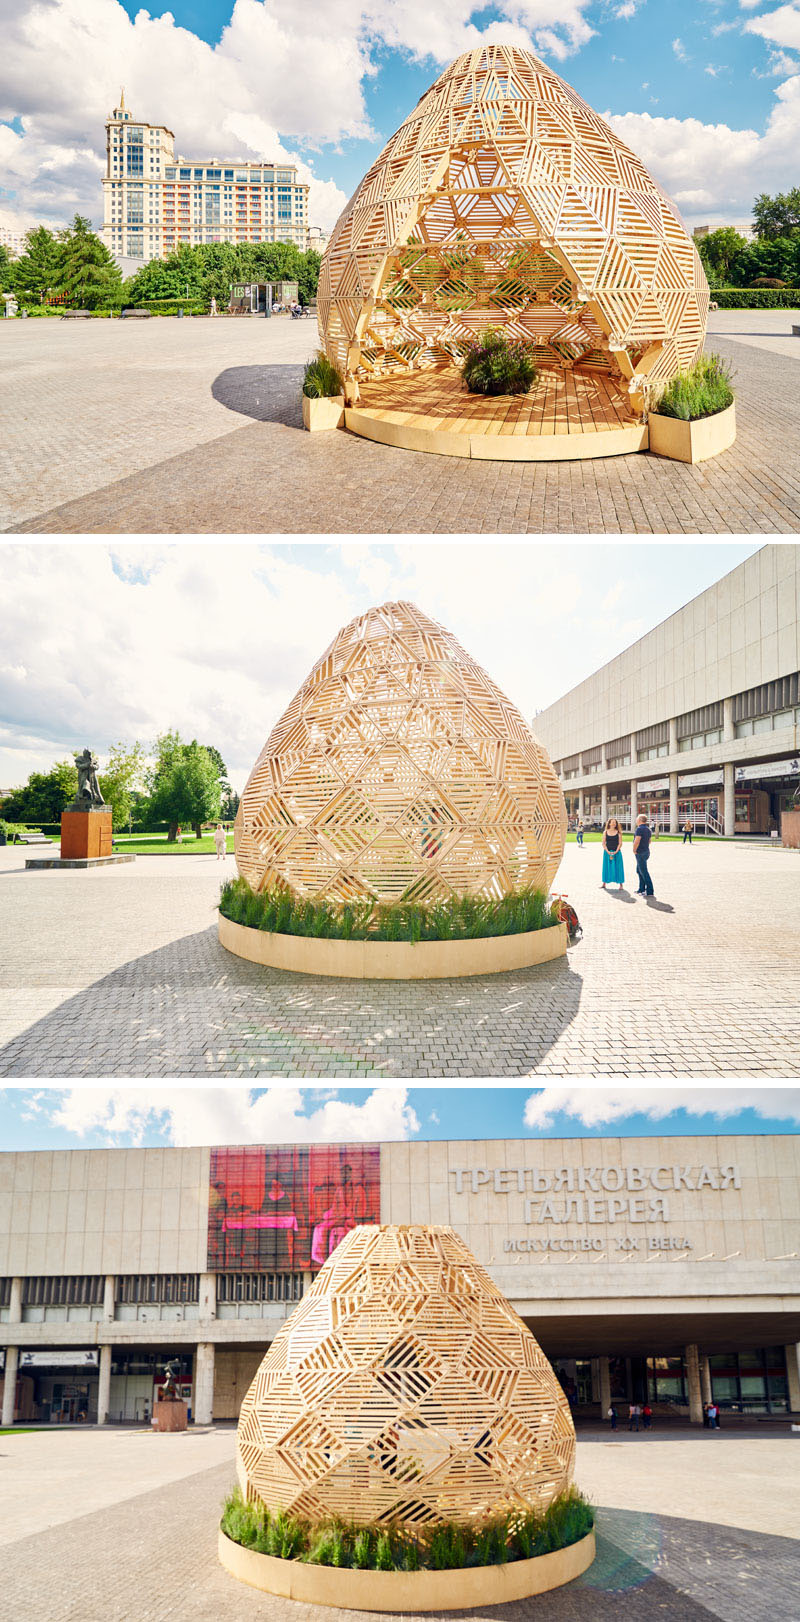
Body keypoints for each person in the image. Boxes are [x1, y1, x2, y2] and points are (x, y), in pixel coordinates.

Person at [633, 813, 654, 896]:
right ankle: (641, 889)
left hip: (640, 852)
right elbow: (649, 841)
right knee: (639, 870)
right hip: (646, 851)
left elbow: (637, 840)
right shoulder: (648, 829)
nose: (636, 820)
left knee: (644, 871)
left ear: (640, 820)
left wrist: (634, 850)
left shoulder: (639, 829)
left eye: (637, 819)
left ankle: (649, 891)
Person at [601, 816, 624, 889]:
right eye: (612, 822)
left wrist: (616, 851)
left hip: (617, 852)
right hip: (607, 852)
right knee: (606, 867)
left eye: (615, 822)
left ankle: (621, 885)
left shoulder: (619, 833)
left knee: (619, 867)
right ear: (609, 823)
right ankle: (604, 883)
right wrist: (607, 851)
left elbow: (620, 843)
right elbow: (603, 843)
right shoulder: (605, 832)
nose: (614, 823)